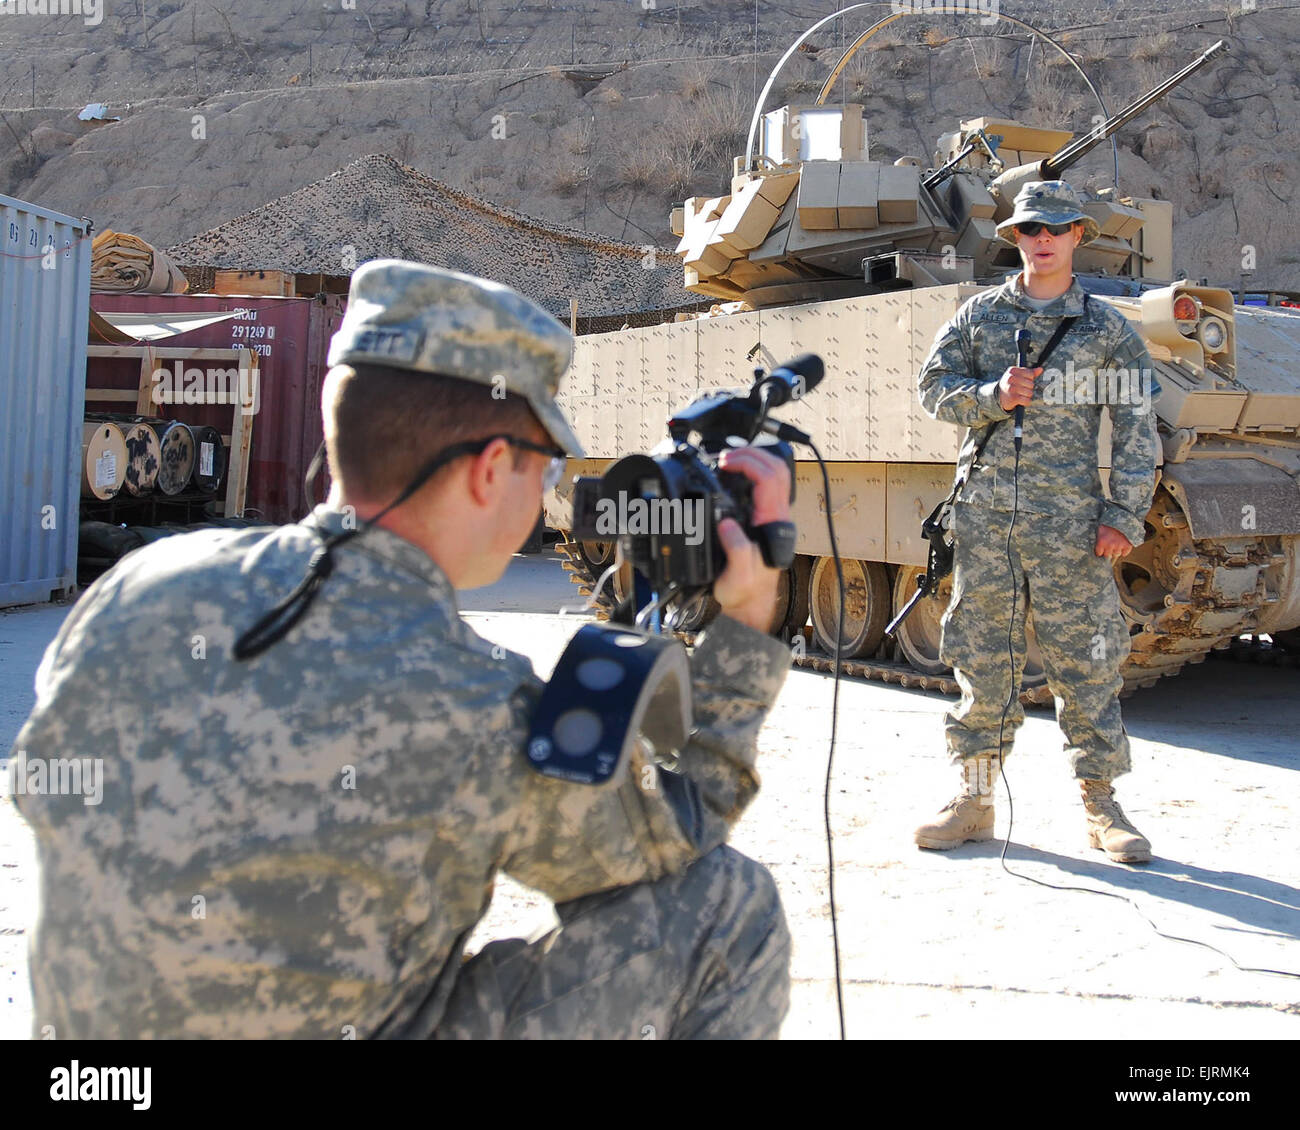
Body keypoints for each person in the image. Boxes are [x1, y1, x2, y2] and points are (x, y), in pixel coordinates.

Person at [9, 259, 795, 1039]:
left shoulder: (135, 587)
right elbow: (675, 835)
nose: (548, 492)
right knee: (726, 906)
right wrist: (747, 624)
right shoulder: (475, 701)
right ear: (490, 470)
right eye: (544, 466)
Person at [912, 181, 1159, 865]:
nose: (1040, 240)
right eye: (1028, 231)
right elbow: (934, 391)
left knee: (1088, 664)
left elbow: (1138, 428)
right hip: (987, 522)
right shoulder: (979, 317)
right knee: (982, 663)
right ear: (1015, 237)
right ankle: (974, 800)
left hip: (1071, 527)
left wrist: (1123, 514)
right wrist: (991, 395)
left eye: (1054, 229)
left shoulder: (1105, 329)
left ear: (1079, 233)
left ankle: (1101, 804)